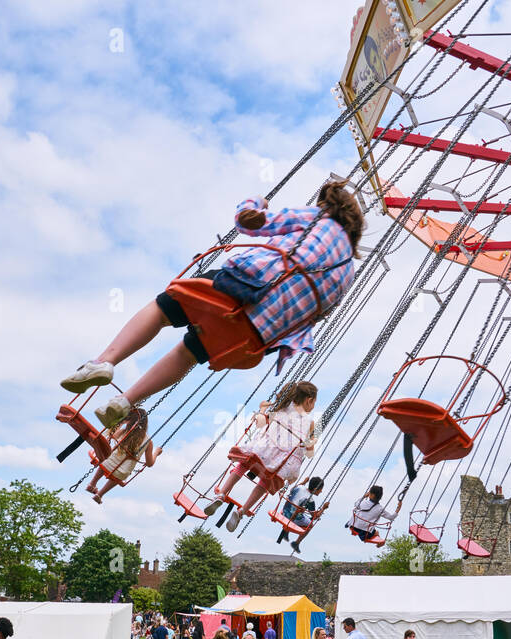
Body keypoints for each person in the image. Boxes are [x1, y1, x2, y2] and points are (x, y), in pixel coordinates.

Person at [61, 182, 364, 429]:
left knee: (164, 308)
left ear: (330, 207)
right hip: (256, 338)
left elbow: (249, 223)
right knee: (189, 353)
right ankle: (125, 401)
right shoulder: (349, 272)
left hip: (240, 289)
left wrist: (256, 200)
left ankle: (105, 362)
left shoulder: (317, 219)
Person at [221, 382, 319, 532]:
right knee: (266, 482)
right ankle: (241, 511)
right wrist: (312, 443)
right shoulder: (310, 424)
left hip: (261, 453)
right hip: (277, 466)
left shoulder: (283, 407)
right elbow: (309, 453)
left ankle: (221, 494)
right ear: (309, 400)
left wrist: (262, 410)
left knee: (245, 463)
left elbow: (260, 424)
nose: (313, 407)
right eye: (314, 403)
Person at [86, 407, 163, 504]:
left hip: (106, 463)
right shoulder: (148, 442)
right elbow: (149, 463)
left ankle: (92, 483)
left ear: (130, 420)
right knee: (120, 473)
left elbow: (110, 437)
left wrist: (121, 423)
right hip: (121, 473)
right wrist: (156, 453)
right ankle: (99, 494)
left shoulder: (124, 431)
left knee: (106, 460)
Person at [277, 476, 324, 552]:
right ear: (315, 489)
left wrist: (304, 482)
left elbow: (292, 489)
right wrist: (323, 508)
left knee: (299, 511)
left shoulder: (300, 487)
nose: (321, 491)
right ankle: (296, 543)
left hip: (284, 511)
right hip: (292, 518)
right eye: (320, 489)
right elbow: (315, 516)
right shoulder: (310, 500)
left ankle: (286, 532)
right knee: (310, 524)